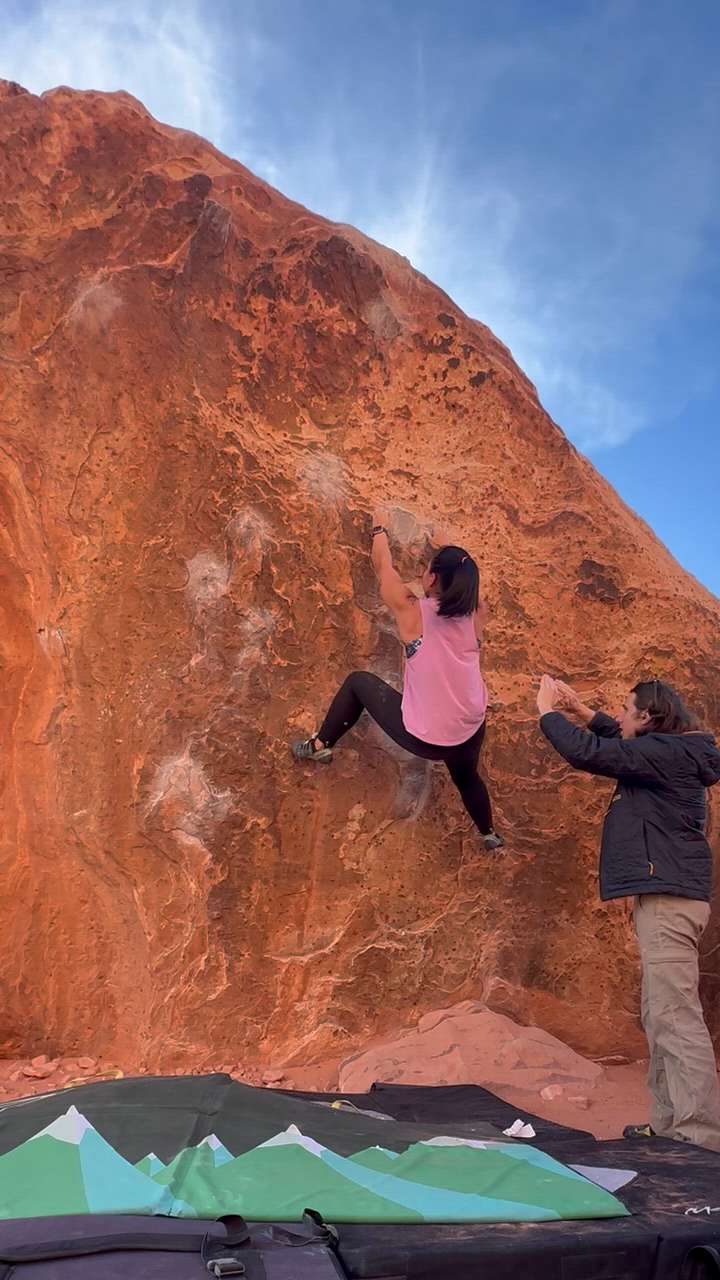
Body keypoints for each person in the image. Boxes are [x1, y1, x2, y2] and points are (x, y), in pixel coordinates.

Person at [536, 672, 720, 1151]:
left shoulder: (666, 754)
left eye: (624, 708)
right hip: (667, 895)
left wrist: (548, 714)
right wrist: (583, 713)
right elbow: (620, 741)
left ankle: (700, 1134)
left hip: (669, 898)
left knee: (676, 1016)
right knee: (660, 1014)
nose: (618, 715)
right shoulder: (671, 752)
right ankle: (668, 1124)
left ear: (648, 717)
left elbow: (592, 754)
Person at [291, 513, 503, 852]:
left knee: (358, 683)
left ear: (432, 578)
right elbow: (469, 583)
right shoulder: (477, 615)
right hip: (470, 726)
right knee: (467, 777)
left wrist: (379, 530)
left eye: (428, 571)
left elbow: (383, 567)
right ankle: (488, 833)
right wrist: (452, 553)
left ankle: (319, 746)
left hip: (426, 737)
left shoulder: (412, 611)